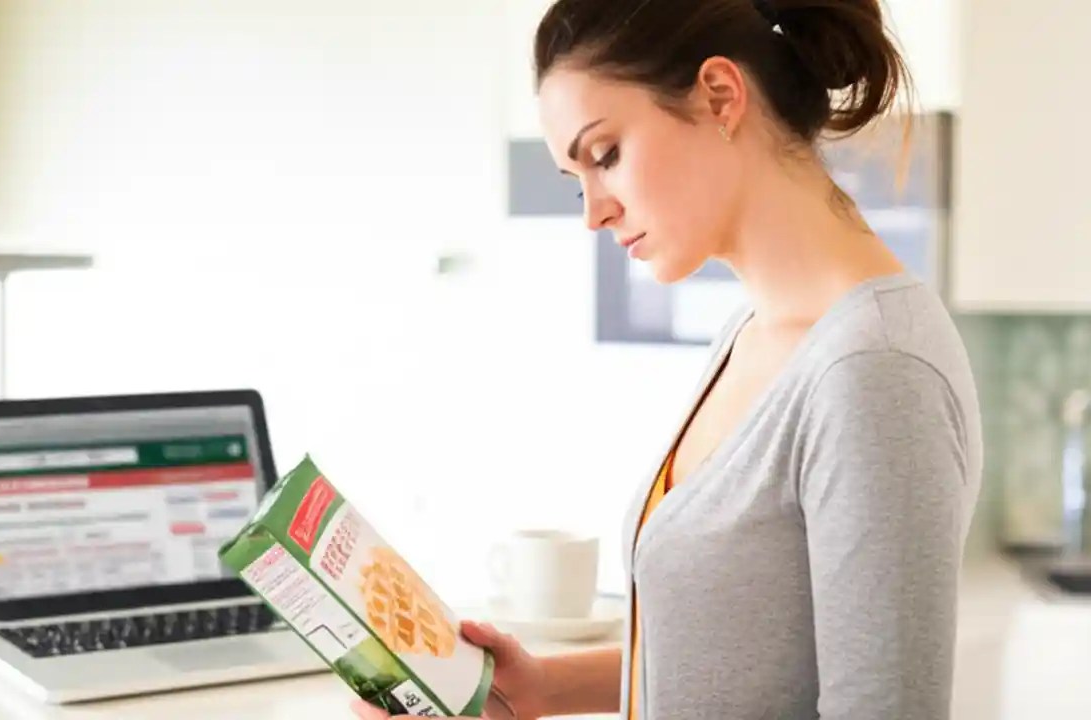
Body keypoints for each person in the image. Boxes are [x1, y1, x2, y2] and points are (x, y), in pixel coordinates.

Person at [352, 0, 983, 717]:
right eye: (576, 177)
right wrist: (547, 689)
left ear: (720, 95)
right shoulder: (755, 332)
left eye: (606, 155)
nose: (594, 211)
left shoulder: (875, 371)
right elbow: (744, 653)